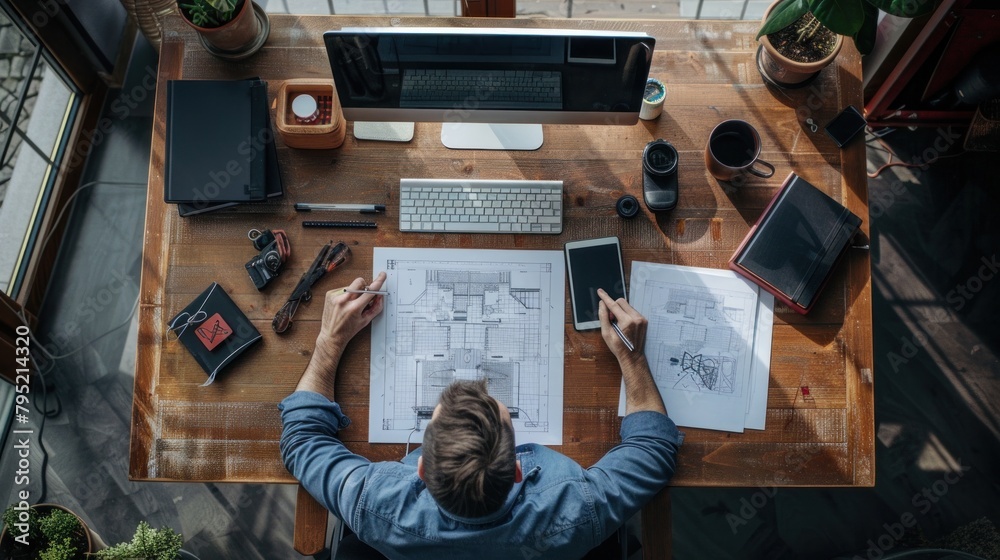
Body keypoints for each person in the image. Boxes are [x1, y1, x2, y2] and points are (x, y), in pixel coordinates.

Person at [280, 271, 682, 559]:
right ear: (519, 470)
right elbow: (654, 449)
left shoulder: (378, 506)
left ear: (422, 469)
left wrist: (330, 340)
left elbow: (302, 441)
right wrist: (632, 358)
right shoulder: (576, 511)